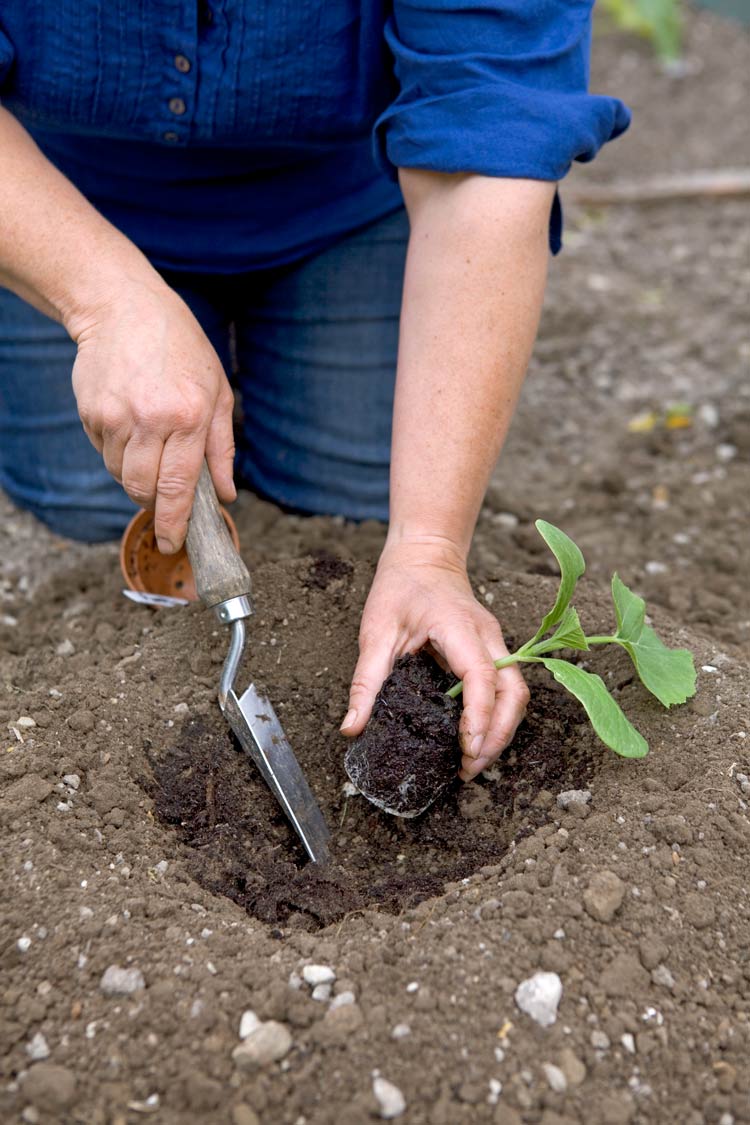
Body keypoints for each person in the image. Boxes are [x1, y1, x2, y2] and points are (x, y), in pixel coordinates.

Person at [0, 2, 629, 782]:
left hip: (345, 196)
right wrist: (105, 303)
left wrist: (430, 549)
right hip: (51, 184)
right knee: (90, 505)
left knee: (353, 506)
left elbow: (491, 112)